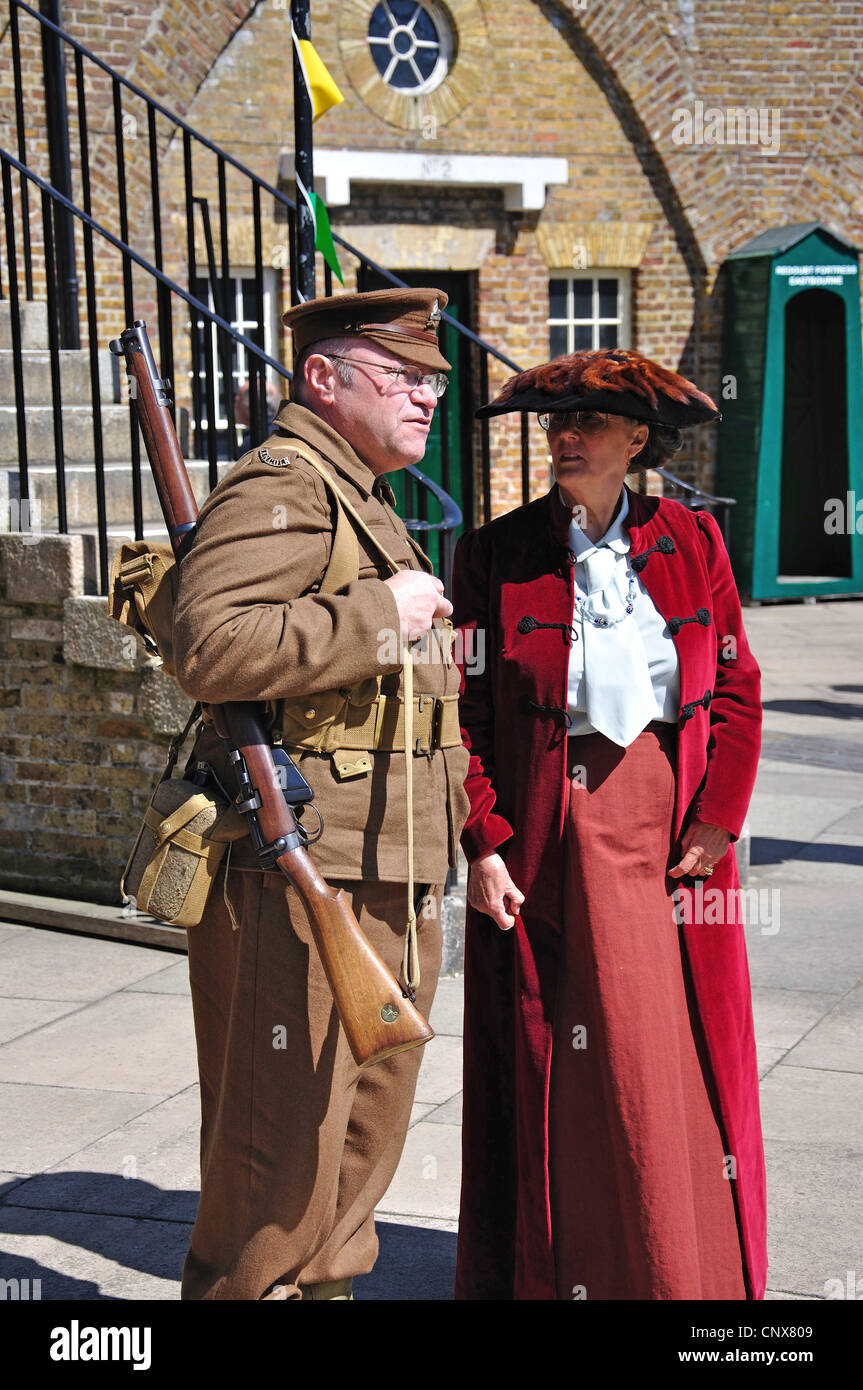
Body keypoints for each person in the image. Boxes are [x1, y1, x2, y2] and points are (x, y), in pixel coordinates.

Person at [172, 286, 469, 1300]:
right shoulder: (284, 486)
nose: (427, 396)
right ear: (322, 378)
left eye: (433, 378)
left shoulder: (364, 498)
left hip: (386, 871)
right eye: (403, 376)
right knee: (276, 1159)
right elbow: (209, 646)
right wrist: (378, 610)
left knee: (358, 1149)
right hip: (302, 879)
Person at [451, 348, 766, 1301]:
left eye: (588, 424)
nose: (565, 438)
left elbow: (740, 689)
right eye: (555, 424)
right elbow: (455, 717)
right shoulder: (493, 555)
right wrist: (483, 842)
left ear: (637, 441)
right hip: (551, 832)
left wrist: (717, 821)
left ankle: (683, 1275)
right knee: (577, 1049)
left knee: (671, 1052)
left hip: (672, 835)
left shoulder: (694, 543)